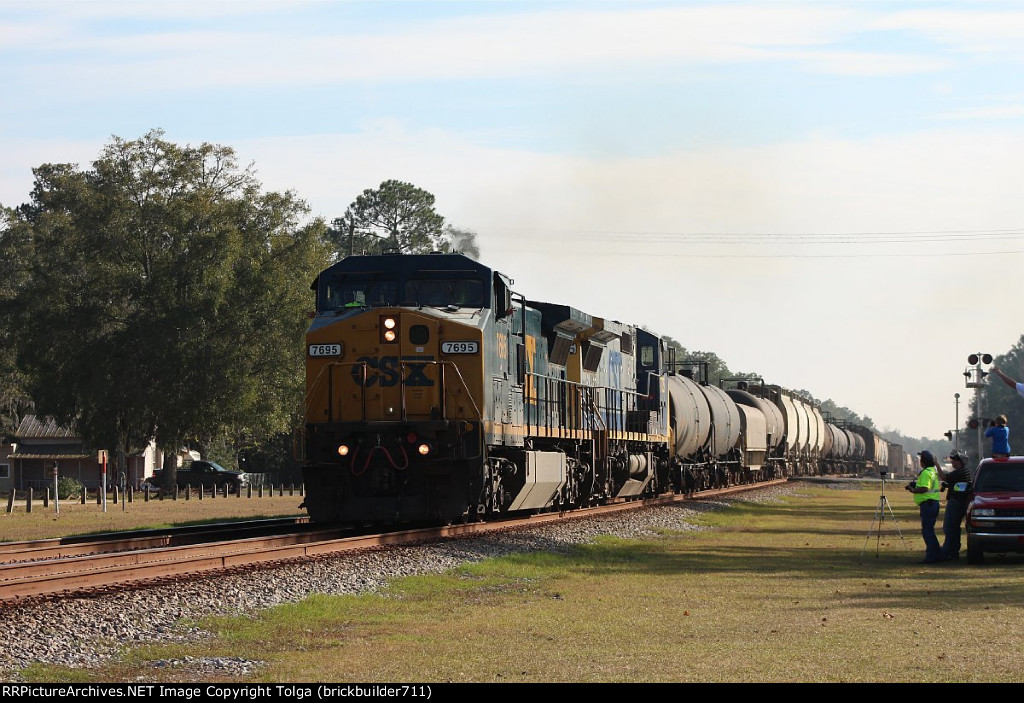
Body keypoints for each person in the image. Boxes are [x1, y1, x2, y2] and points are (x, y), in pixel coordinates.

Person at [905, 450, 942, 564]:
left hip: (928, 504)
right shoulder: (932, 471)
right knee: (929, 530)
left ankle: (932, 556)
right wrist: (916, 485)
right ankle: (936, 553)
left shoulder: (926, 473)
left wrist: (913, 490)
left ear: (923, 461)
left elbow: (925, 488)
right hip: (932, 503)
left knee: (927, 531)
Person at [939, 449, 973, 561]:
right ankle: (954, 551)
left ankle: (947, 551)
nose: (952, 462)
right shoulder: (965, 472)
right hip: (961, 502)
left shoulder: (960, 472)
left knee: (949, 527)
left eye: (954, 460)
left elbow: (944, 477)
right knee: (954, 528)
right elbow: (958, 485)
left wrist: (936, 464)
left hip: (956, 502)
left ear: (960, 462)